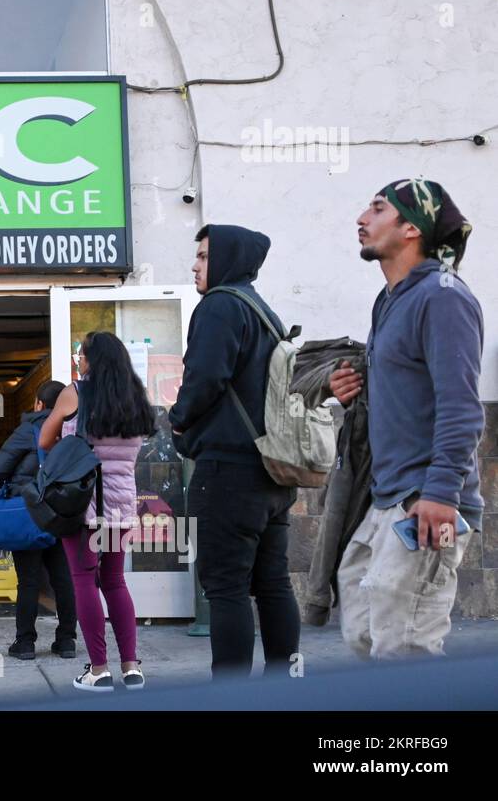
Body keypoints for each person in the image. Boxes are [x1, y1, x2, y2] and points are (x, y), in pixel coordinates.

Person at [329, 179, 483, 658]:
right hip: (384, 497)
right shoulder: (391, 299)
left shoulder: (443, 297)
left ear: (411, 228)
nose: (361, 219)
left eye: (377, 210)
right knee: (361, 636)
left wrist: (441, 493)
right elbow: (408, 392)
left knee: (405, 651)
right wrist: (353, 392)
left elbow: (461, 407)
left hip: (424, 498)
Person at [170, 224, 300, 680]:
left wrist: (178, 418)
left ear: (226, 259)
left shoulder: (221, 305)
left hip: (228, 469)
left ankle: (231, 696)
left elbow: (204, 377)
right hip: (270, 470)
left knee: (225, 589)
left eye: (204, 256)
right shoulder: (265, 313)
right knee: (272, 584)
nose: (195, 265)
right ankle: (283, 683)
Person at [41, 332, 152, 691]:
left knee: (83, 580)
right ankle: (131, 667)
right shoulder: (134, 398)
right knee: (115, 580)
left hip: (83, 501)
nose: (78, 360)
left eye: (80, 354)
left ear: (91, 359)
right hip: (120, 502)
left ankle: (99, 670)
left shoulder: (74, 393)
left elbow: (44, 440)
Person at [0, 379, 78, 659]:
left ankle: (25, 643)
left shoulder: (28, 429)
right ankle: (66, 641)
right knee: (63, 579)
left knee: (28, 581)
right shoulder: (72, 430)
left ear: (38, 403)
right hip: (63, 514)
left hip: (30, 513)